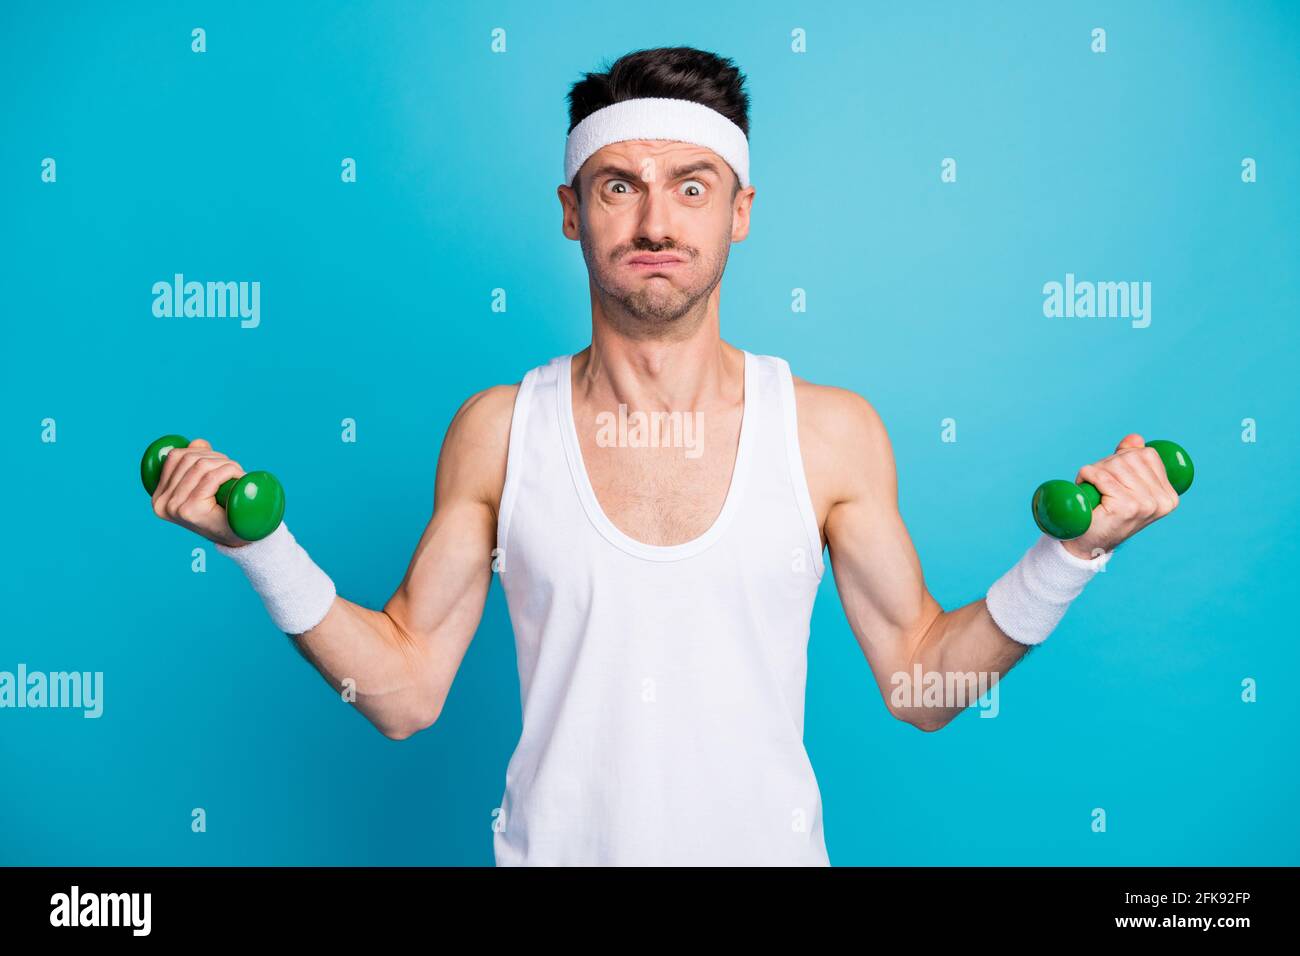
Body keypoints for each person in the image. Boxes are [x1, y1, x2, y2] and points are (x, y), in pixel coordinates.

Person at [148, 47, 1182, 866]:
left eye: (692, 187)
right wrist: (260, 545)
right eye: (616, 187)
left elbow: (921, 685)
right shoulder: (499, 429)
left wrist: (1070, 557)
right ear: (569, 211)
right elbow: (405, 691)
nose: (653, 221)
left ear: (739, 211)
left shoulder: (828, 430)